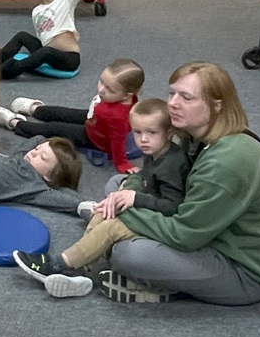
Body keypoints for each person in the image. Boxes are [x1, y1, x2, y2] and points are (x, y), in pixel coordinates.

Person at [79, 62, 260, 305]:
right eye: (172, 93)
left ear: (216, 106)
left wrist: (123, 211)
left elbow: (184, 234)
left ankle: (164, 285)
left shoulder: (226, 162)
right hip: (206, 224)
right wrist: (127, 195)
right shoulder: (196, 132)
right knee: (117, 183)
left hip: (247, 271)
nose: (172, 103)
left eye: (186, 97)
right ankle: (122, 238)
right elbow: (150, 174)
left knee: (128, 254)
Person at [11, 98, 191, 298]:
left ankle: (57, 264)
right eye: (137, 132)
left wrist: (135, 199)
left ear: (169, 133)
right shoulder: (155, 150)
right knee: (101, 213)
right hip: (147, 205)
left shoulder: (173, 164)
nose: (143, 140)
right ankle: (81, 269)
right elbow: (144, 177)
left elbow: (173, 207)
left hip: (161, 220)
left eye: (151, 133)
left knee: (109, 228)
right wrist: (126, 189)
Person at [0, 59, 143, 174]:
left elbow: (118, 141)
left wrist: (121, 163)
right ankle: (35, 109)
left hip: (93, 136)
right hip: (96, 119)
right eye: (101, 81)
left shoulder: (116, 117)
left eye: (109, 90)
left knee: (54, 128)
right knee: (64, 112)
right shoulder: (128, 97)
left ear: (126, 95)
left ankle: (15, 123)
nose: (101, 90)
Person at [0, 0, 85, 79]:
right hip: (47, 50)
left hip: (68, 58)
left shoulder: (66, 2)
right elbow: (43, 35)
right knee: (22, 36)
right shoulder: (36, 11)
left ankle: (9, 70)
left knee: (46, 52)